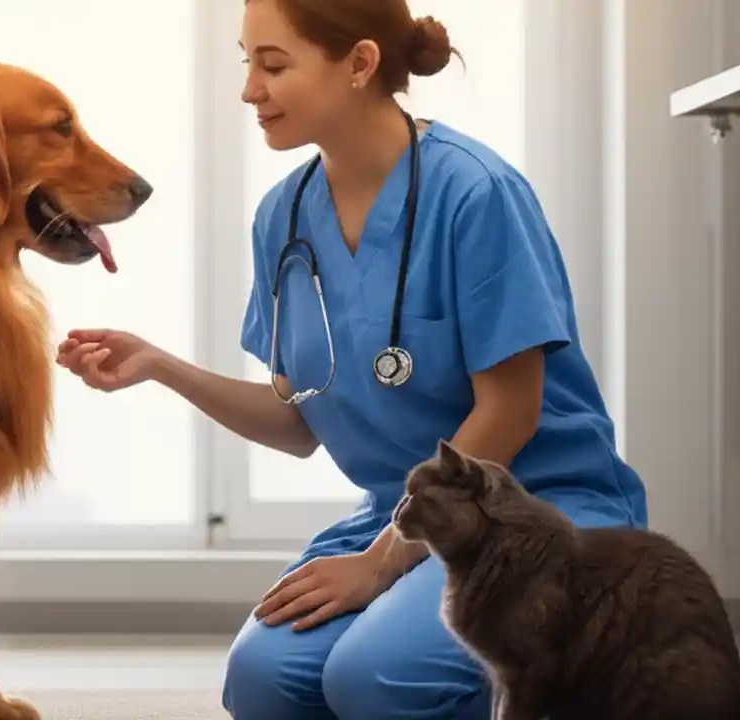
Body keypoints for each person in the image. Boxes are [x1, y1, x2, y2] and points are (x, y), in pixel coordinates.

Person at [56, 0, 647, 718]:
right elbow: (298, 422)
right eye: (248, 64)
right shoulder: (283, 216)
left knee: (373, 677)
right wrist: (157, 364)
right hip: (400, 515)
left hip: (534, 509)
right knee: (264, 678)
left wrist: (378, 566)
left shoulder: (476, 193)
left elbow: (512, 412)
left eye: (273, 65)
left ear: (360, 64)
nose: (250, 90)